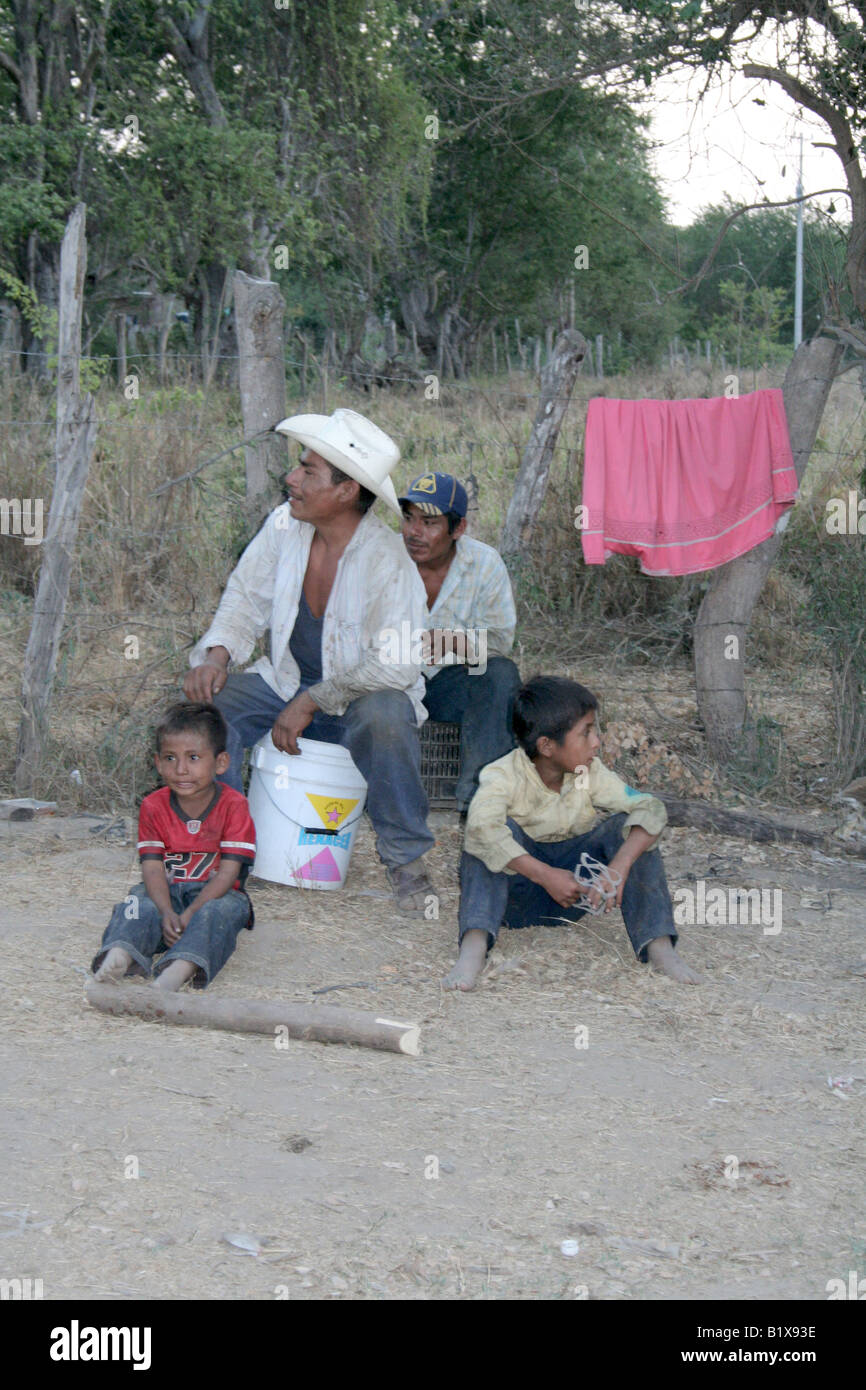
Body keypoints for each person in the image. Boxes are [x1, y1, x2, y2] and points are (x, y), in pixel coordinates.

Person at [183, 408, 436, 913]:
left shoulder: (388, 561)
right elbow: (244, 600)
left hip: (356, 703)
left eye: (307, 471)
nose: (291, 479)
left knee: (388, 715)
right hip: (284, 684)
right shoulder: (285, 527)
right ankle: (222, 852)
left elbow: (398, 665)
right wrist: (216, 656)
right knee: (212, 711)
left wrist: (314, 700)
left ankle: (406, 861)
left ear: (345, 492)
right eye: (299, 467)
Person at [443, 675, 701, 991]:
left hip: (573, 894)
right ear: (547, 746)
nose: (597, 742)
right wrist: (544, 875)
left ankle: (659, 947)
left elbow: (649, 807)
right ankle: (473, 948)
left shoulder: (586, 773)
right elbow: (483, 831)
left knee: (629, 825)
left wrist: (618, 867)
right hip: (515, 895)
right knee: (487, 833)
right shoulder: (502, 775)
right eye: (586, 733)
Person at [91, 703, 256, 991]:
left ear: (220, 762)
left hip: (216, 895)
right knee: (135, 904)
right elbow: (152, 867)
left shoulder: (234, 806)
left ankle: (181, 968)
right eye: (170, 758)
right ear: (157, 763)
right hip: (166, 894)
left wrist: (190, 913)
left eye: (193, 757)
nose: (181, 769)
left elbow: (228, 874)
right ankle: (121, 953)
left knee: (218, 916)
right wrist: (166, 911)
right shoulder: (153, 806)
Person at [399, 471, 521, 815]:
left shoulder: (484, 563)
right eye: (408, 519)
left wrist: (457, 642)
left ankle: (482, 801)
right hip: (391, 681)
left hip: (449, 685)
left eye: (429, 522)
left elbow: (500, 641)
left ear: (459, 529)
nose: (414, 532)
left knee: (499, 674)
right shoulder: (386, 559)